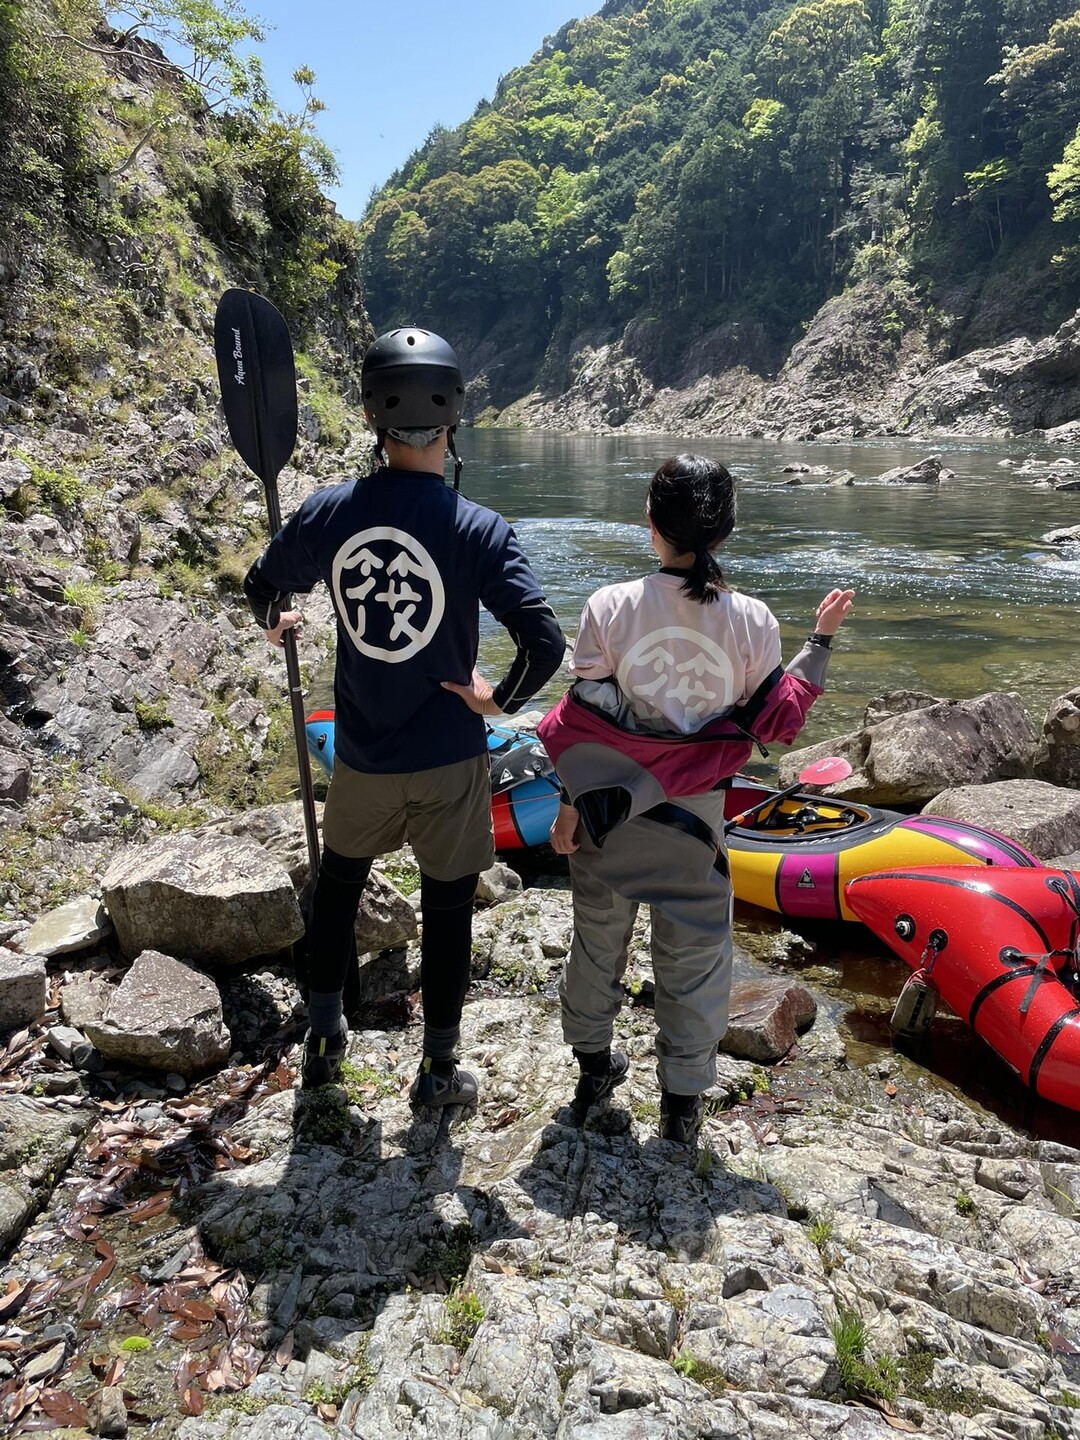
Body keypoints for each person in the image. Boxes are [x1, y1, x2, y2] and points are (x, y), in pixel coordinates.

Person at [243, 328, 566, 1101]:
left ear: (372, 416)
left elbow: (263, 582)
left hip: (360, 757)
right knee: (448, 911)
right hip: (452, 760)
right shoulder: (481, 529)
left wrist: (276, 622)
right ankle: (438, 1070)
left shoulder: (329, 513)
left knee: (338, 892)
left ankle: (324, 1042)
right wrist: (502, 701)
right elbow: (544, 644)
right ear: (454, 416)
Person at [538, 454, 854, 1147]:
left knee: (597, 947)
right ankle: (681, 1107)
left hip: (606, 818)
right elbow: (777, 720)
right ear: (727, 532)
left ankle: (593, 1072)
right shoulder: (753, 621)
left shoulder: (607, 606)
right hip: (696, 822)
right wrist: (820, 641)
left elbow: (581, 724)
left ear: (651, 524)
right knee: (693, 959)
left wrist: (567, 806)